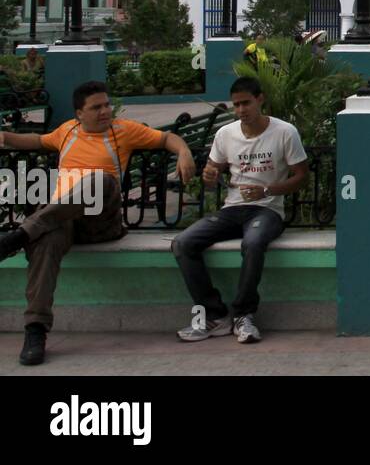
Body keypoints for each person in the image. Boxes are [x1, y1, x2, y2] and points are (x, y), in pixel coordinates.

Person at [0, 80, 196, 366]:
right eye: (97, 107)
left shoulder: (124, 131)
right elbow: (36, 141)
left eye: (106, 105)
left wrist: (184, 152)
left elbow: (166, 139)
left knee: (97, 180)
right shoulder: (66, 131)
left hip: (101, 220)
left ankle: (19, 236)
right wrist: (4, 136)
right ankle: (35, 330)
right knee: (47, 240)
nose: (105, 111)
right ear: (79, 113)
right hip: (63, 220)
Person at [173, 76, 308, 344]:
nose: (241, 110)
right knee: (182, 243)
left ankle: (243, 315)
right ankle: (214, 316)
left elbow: (301, 177)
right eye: (236, 105)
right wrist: (209, 176)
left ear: (260, 99)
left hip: (267, 210)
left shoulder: (284, 132)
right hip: (232, 209)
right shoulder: (226, 134)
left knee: (254, 242)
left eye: (246, 103)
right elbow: (213, 171)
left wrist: (267, 190)